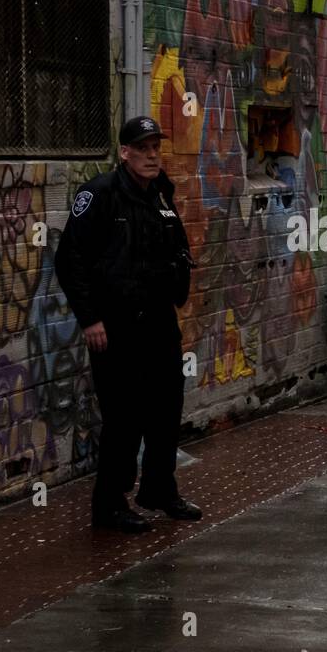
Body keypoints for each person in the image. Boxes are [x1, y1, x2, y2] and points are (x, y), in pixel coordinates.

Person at [54, 115, 201, 533]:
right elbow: (70, 261)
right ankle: (109, 505)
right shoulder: (99, 195)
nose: (153, 155)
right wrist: (90, 319)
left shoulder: (160, 193)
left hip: (158, 321)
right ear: (125, 152)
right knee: (124, 418)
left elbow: (173, 249)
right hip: (115, 328)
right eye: (143, 148)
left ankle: (158, 489)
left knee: (166, 409)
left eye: (156, 147)